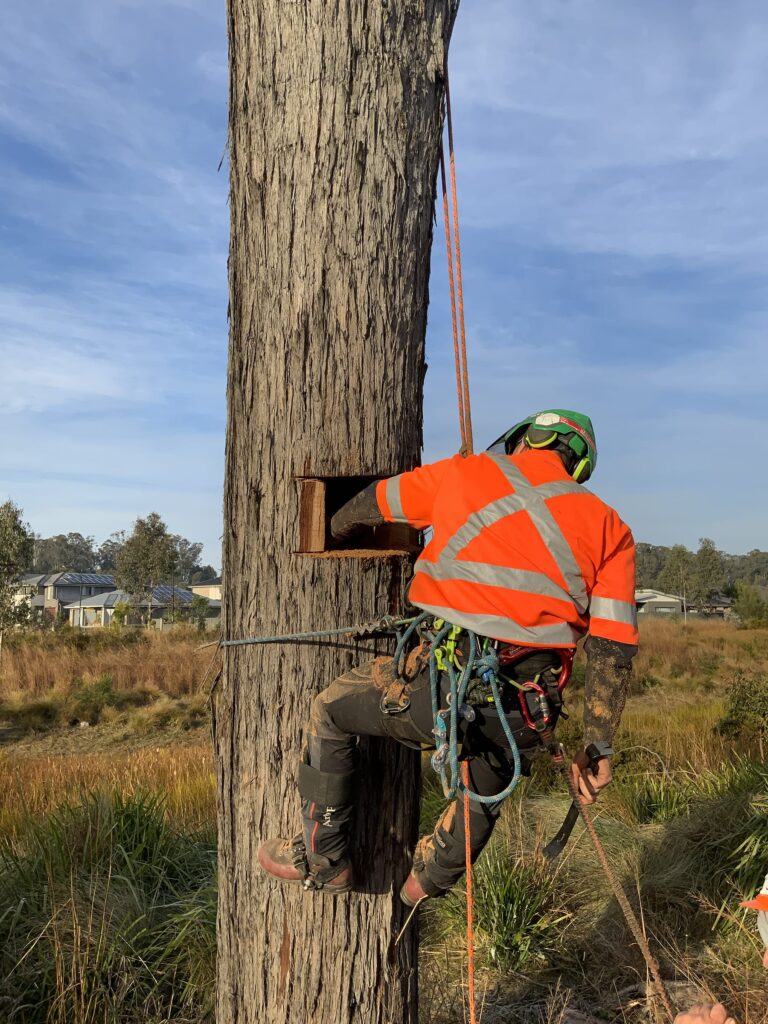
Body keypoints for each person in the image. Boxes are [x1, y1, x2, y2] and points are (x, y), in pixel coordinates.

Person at [258, 409, 639, 902]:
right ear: (578, 463)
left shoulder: (466, 472)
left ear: (525, 439)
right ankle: (428, 881)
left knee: (329, 710)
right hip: (523, 713)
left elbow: (375, 503)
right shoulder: (611, 528)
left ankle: (323, 857)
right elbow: (613, 650)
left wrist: (332, 523)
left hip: (437, 691)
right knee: (487, 777)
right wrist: (598, 748)